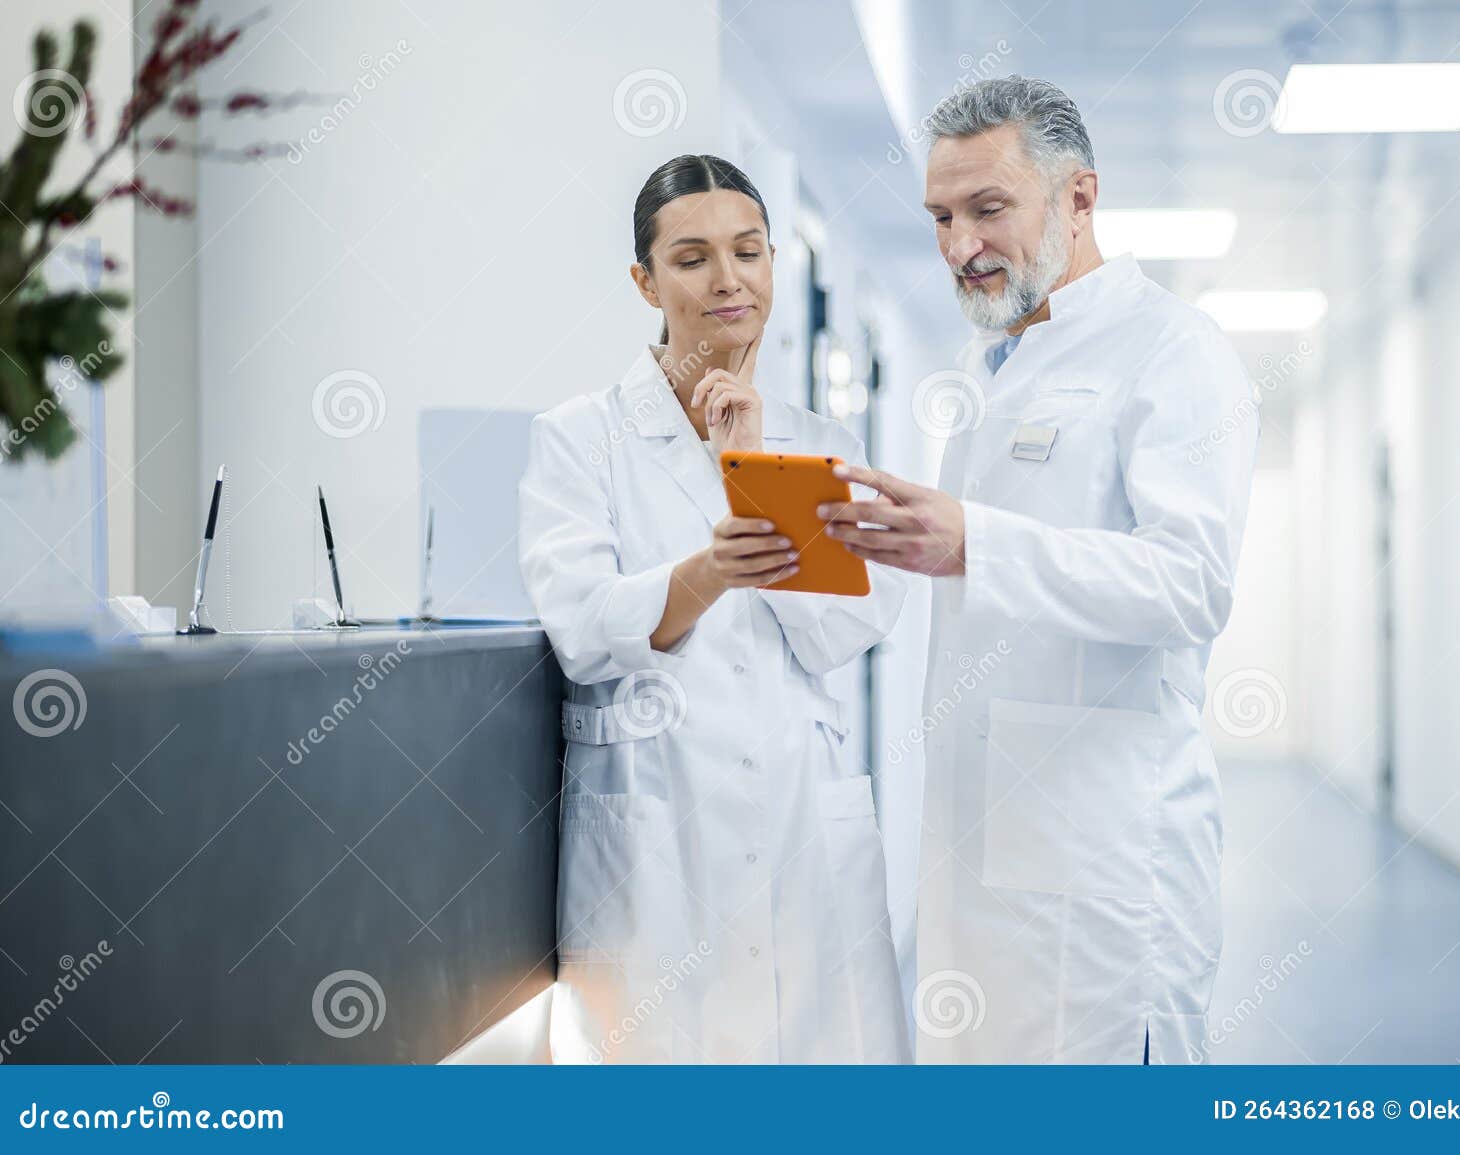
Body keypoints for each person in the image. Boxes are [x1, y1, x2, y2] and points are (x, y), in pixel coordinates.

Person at [819, 77, 1257, 1063]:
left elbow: (1192, 584)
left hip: (1099, 877)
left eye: (987, 209)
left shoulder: (1174, 354)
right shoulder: (996, 371)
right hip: (983, 864)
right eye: (939, 216)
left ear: (1079, 199)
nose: (957, 246)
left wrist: (977, 542)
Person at [518, 154, 909, 1064]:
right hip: (657, 836)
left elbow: (849, 629)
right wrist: (710, 568)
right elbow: (583, 628)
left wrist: (755, 474)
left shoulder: (823, 444)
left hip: (802, 829)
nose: (729, 280)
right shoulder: (580, 439)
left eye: (749, 251)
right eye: (692, 258)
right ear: (645, 280)